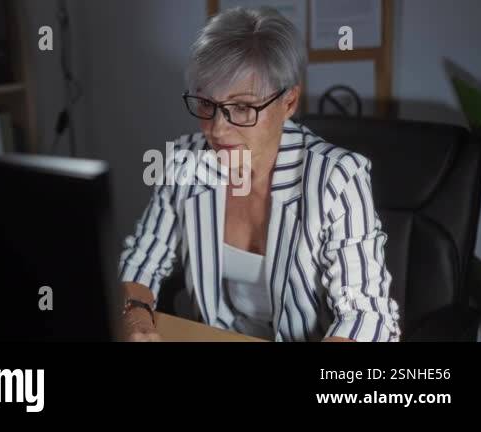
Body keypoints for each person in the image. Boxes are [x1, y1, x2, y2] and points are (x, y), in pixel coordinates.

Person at [118, 6, 401, 342]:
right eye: (207, 104)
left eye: (242, 107)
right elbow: (142, 260)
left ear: (289, 101)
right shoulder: (186, 163)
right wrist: (137, 320)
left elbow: (365, 314)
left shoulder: (336, 178)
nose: (218, 130)